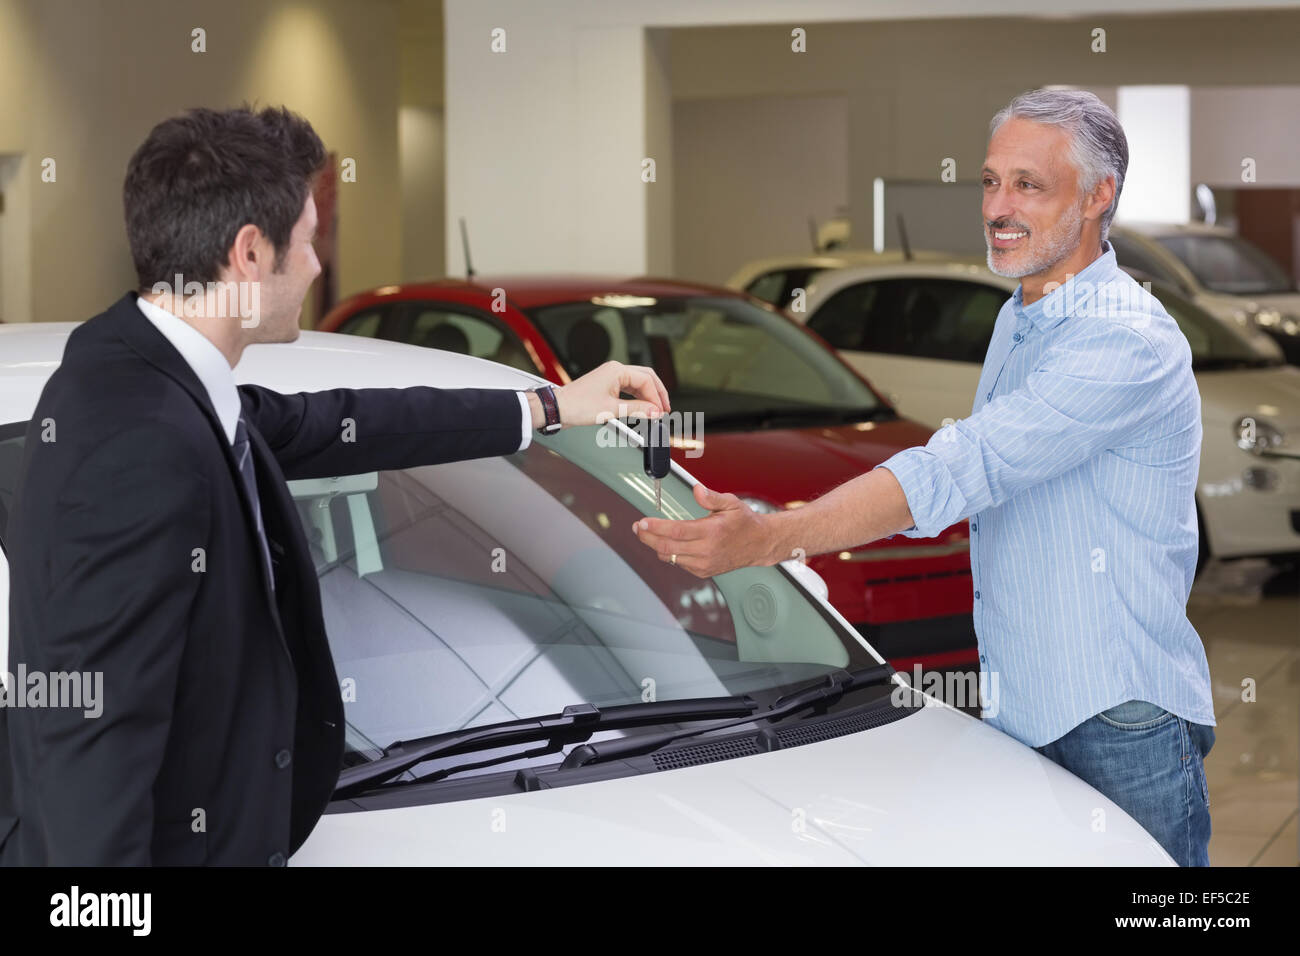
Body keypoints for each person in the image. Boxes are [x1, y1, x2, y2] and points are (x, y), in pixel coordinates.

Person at [0, 105, 669, 866]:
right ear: (250, 254)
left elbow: (340, 423)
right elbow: (92, 742)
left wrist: (552, 405)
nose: (319, 266)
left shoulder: (152, 377)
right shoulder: (140, 441)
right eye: (310, 240)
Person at [633, 89, 1216, 866]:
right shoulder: (1021, 316)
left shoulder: (1125, 340)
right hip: (1026, 712)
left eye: (1028, 185)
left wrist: (774, 536)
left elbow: (961, 468)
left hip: (1117, 720)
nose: (998, 207)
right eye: (989, 182)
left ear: (1099, 194)